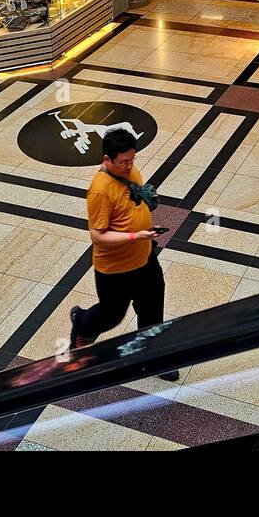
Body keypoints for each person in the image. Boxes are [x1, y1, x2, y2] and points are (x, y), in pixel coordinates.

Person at [69, 129, 178, 381]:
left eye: (132, 159)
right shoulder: (100, 190)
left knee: (152, 309)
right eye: (123, 162)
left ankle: (152, 357)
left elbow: (132, 201)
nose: (129, 166)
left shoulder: (130, 172)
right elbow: (97, 236)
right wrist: (134, 236)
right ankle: (82, 322)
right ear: (106, 159)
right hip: (116, 269)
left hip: (145, 257)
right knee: (112, 315)